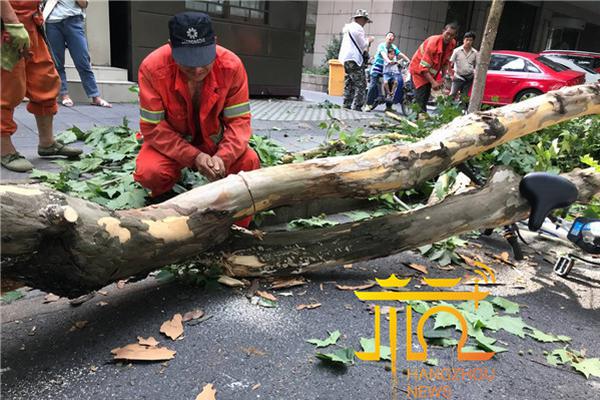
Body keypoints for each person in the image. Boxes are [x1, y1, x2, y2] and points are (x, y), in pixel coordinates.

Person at [133, 12, 260, 225]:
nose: (198, 69)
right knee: (150, 172)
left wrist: (224, 156)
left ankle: (239, 227)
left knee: (249, 161)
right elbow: (153, 128)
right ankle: (164, 210)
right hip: (171, 143)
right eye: (188, 63)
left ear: (215, 43)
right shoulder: (151, 68)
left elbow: (239, 122)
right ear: (171, 47)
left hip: (214, 142)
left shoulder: (232, 66)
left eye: (203, 59)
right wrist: (194, 157)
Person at [1, 0, 82, 172]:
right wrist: (11, 22)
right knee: (7, 88)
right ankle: (4, 149)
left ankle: (47, 143)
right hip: (7, 24)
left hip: (31, 21)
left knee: (45, 80)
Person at [45, 0, 111, 108]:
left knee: (82, 60)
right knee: (57, 62)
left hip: (73, 20)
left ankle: (95, 96)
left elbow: (84, 4)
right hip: (52, 22)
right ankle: (64, 95)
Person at [409, 23, 458, 114]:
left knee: (426, 97)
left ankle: (420, 117)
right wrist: (434, 82)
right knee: (420, 99)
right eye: (447, 33)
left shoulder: (452, 43)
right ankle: (417, 118)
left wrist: (443, 77)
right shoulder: (433, 43)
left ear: (454, 36)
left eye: (451, 35)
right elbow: (423, 68)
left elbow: (445, 62)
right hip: (418, 71)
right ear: (443, 31)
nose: (448, 37)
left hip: (430, 74)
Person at [338, 9, 374, 111]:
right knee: (361, 83)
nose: (365, 23)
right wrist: (369, 40)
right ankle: (357, 106)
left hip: (345, 58)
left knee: (350, 81)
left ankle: (346, 104)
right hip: (354, 59)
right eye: (366, 21)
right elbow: (363, 44)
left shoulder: (348, 28)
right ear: (361, 19)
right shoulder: (358, 28)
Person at [364, 31, 409, 111]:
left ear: (393, 39)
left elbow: (399, 53)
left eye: (392, 36)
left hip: (387, 70)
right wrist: (388, 61)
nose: (390, 37)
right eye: (389, 36)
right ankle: (368, 104)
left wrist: (408, 60)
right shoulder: (381, 46)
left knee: (392, 83)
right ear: (386, 38)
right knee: (373, 85)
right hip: (377, 68)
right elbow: (384, 55)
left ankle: (388, 107)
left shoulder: (393, 47)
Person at [449, 31, 478, 101]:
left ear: (473, 41)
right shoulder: (457, 51)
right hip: (458, 76)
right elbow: (450, 63)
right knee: (452, 94)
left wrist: (475, 73)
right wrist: (451, 75)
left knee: (464, 97)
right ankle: (448, 109)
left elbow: (477, 65)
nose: (468, 42)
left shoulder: (475, 52)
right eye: (467, 40)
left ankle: (461, 110)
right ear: (463, 40)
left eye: (470, 40)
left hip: (469, 77)